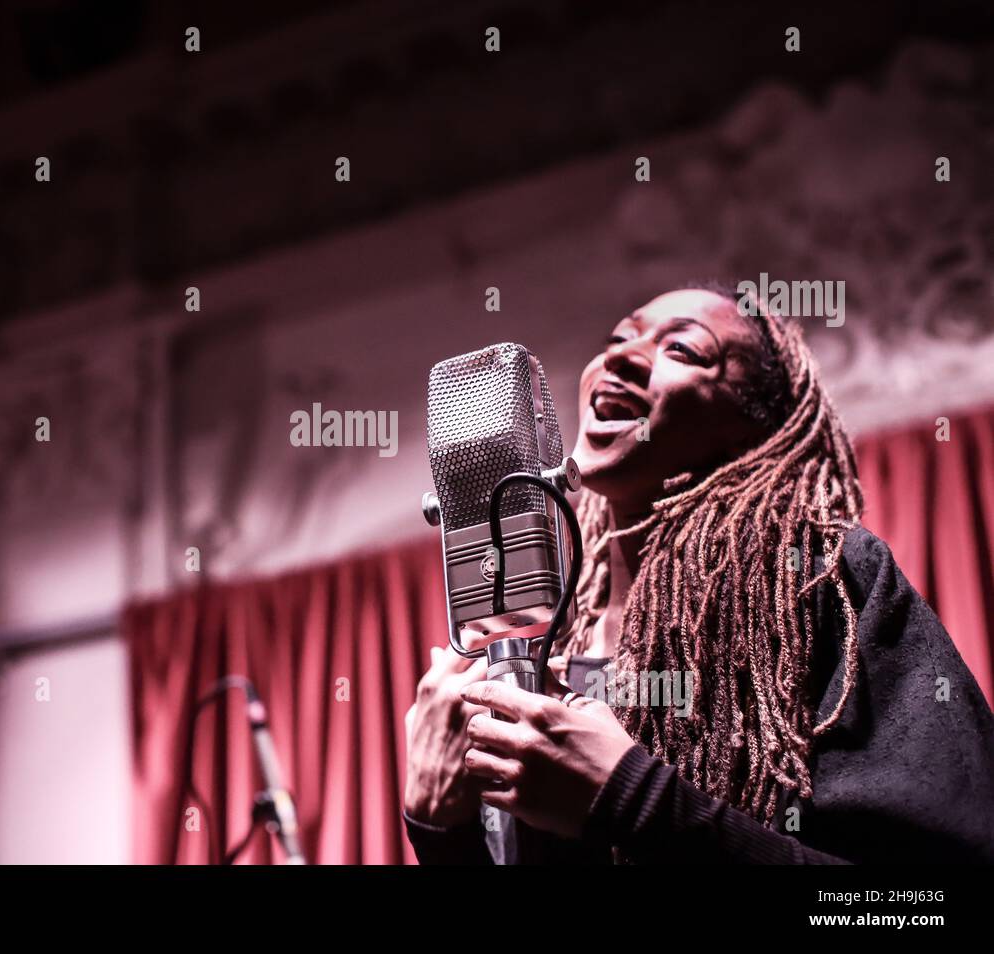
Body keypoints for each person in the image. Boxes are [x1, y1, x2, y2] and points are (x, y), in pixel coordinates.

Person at [403, 285, 994, 863]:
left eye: (681, 349)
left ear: (752, 429)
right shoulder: (545, 643)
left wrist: (637, 800)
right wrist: (438, 826)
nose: (619, 357)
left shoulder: (821, 582)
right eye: (618, 338)